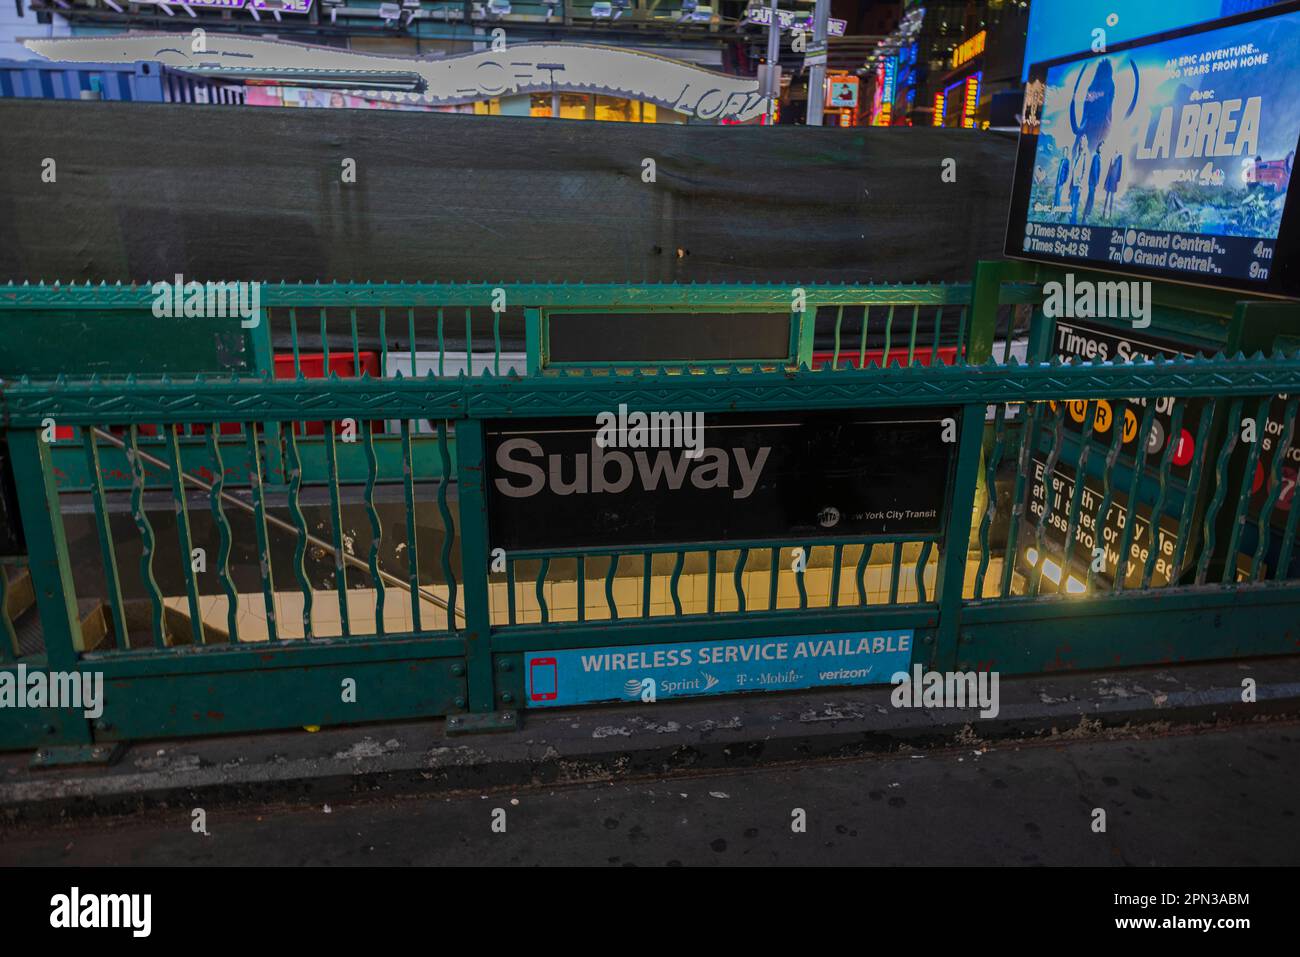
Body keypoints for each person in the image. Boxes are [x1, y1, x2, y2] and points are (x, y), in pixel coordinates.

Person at [1069, 136, 1089, 224]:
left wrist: (1081, 185)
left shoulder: (1086, 154)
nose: (1081, 143)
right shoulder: (1078, 153)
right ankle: (1071, 222)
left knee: (1074, 205)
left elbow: (1085, 171)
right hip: (1073, 183)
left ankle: (1073, 224)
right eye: (1080, 141)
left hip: (1078, 184)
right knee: (1071, 203)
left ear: (1085, 142)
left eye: (1083, 141)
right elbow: (1074, 169)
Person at [1084, 140, 1103, 221]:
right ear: (1098, 147)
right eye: (1101, 146)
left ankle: (1086, 214)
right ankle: (1087, 215)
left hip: (1092, 182)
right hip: (1092, 182)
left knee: (1090, 198)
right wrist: (1096, 182)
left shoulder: (1098, 156)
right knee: (1091, 199)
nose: (1102, 148)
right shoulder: (1096, 157)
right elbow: (1095, 170)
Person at [1103, 150, 1123, 218]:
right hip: (1109, 178)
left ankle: (1110, 214)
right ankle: (1103, 213)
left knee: (1112, 197)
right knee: (1107, 195)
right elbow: (1109, 167)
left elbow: (1120, 168)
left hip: (1114, 180)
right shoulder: (1112, 155)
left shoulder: (1120, 157)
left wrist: (1118, 179)